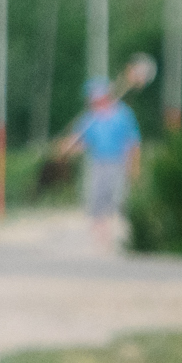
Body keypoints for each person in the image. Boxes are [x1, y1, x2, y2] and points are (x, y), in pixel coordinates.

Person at [55, 75, 141, 247]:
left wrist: (134, 167)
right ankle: (102, 239)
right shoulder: (90, 119)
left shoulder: (123, 115)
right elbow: (82, 142)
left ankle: (119, 237)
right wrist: (66, 148)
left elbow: (133, 143)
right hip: (98, 164)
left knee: (117, 200)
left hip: (118, 163)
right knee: (96, 200)